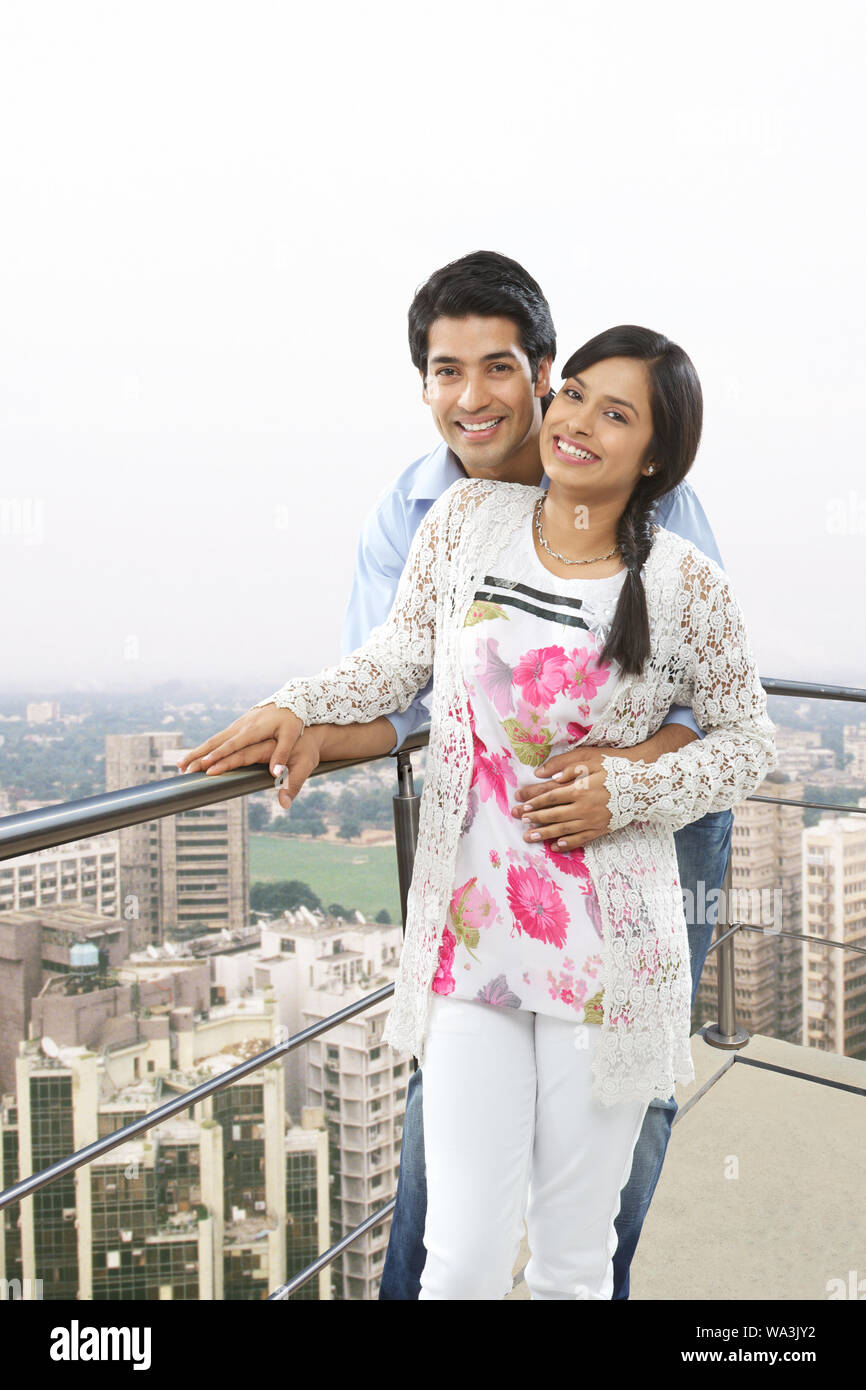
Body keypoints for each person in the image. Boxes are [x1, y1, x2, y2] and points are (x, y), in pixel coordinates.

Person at [178, 317, 776, 1299]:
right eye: (573, 391)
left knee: (571, 1265)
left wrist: (624, 790)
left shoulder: (684, 583)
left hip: (607, 955)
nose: (574, 419)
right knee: (456, 1257)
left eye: (612, 412)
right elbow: (396, 659)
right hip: (470, 941)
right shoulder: (463, 523)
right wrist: (298, 704)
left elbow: (746, 740)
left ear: (654, 453)